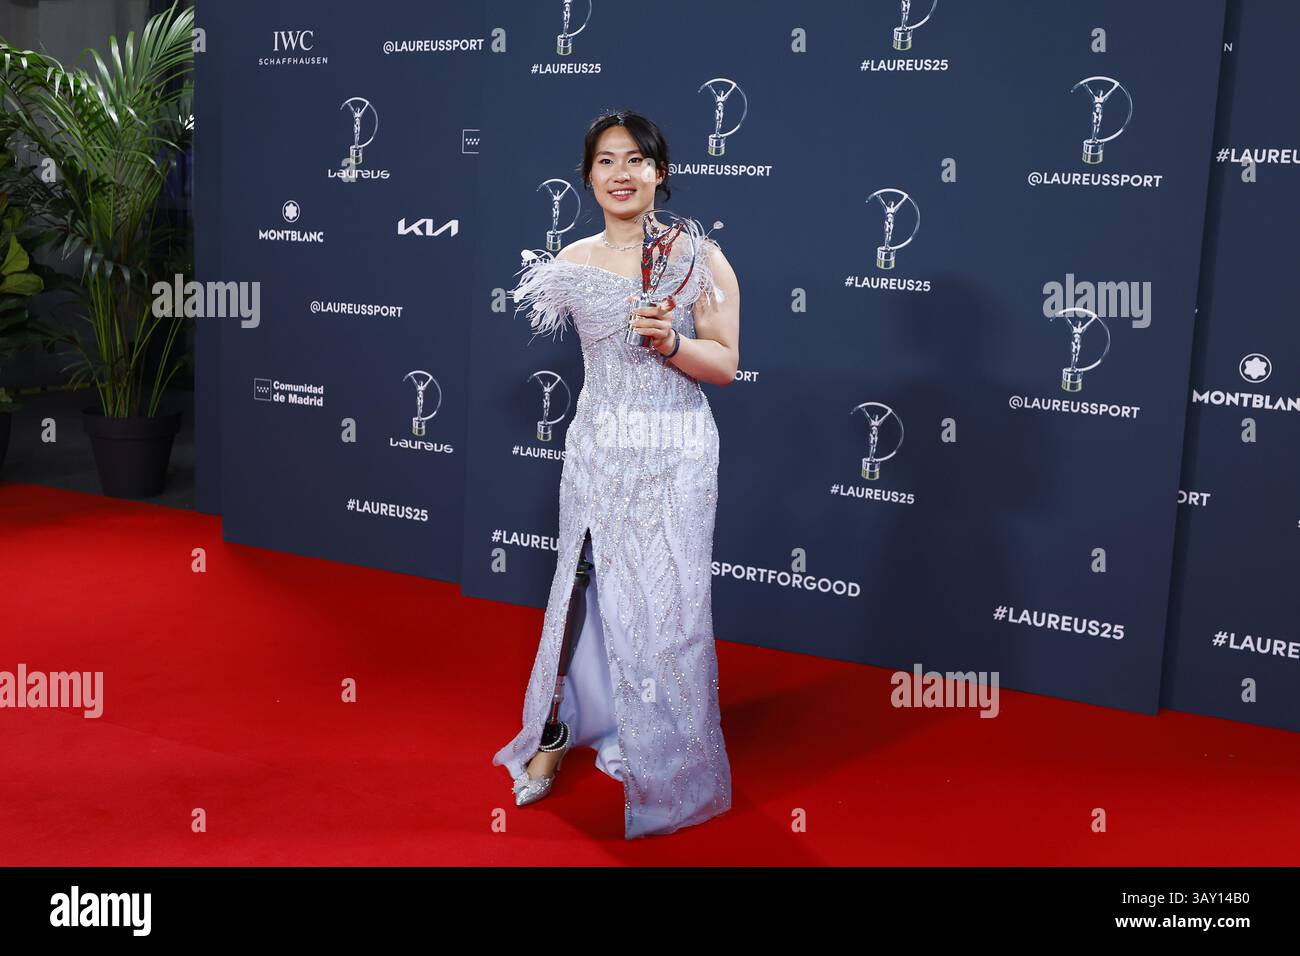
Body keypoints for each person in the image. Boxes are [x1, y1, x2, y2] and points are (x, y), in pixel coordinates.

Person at [492, 109, 741, 839]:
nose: (622, 174)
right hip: (602, 445)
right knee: (579, 585)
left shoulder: (699, 257)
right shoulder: (569, 262)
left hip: (676, 448)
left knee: (673, 601)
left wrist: (671, 344)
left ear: (661, 173)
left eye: (637, 160)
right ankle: (552, 732)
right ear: (588, 175)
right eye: (606, 161)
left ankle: (667, 750)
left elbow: (723, 364)